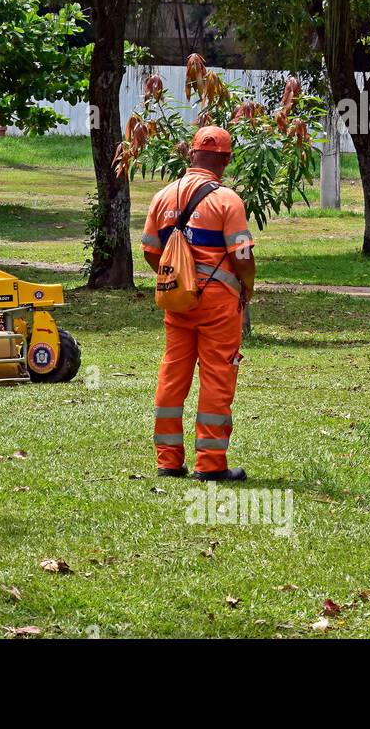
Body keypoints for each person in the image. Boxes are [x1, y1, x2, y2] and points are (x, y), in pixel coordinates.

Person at [141, 125, 256, 481]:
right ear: (224, 160)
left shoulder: (162, 196)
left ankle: (168, 461)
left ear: (191, 155)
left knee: (173, 373)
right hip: (219, 303)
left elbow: (149, 252)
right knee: (217, 376)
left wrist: (179, 282)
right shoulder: (227, 200)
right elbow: (243, 254)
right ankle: (210, 465)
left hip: (177, 300)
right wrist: (246, 289)